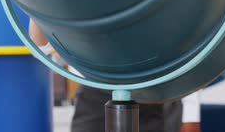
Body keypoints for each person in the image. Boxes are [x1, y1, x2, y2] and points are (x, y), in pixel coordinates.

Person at [28, 20, 201, 132]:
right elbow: (42, 47)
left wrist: (190, 115)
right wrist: (34, 1)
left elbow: (184, 48)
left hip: (156, 91)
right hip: (96, 93)